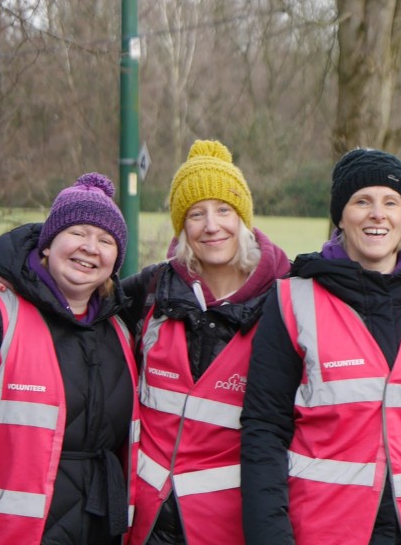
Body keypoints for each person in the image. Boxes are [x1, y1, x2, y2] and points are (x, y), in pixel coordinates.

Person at [240, 148, 401, 545]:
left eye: (391, 202)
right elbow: (265, 429)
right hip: (324, 530)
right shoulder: (293, 300)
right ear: (340, 217)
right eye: (362, 201)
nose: (377, 214)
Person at [0, 173, 138, 545]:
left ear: (116, 261)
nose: (90, 248)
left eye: (105, 240)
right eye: (78, 232)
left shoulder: (122, 331)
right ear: (47, 244)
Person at [125, 139, 291, 545]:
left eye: (224, 210)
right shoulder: (150, 289)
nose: (211, 225)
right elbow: (75, 300)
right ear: (182, 226)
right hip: (144, 525)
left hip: (231, 527)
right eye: (196, 214)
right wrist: (11, 282)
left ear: (244, 220)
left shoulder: (286, 301)